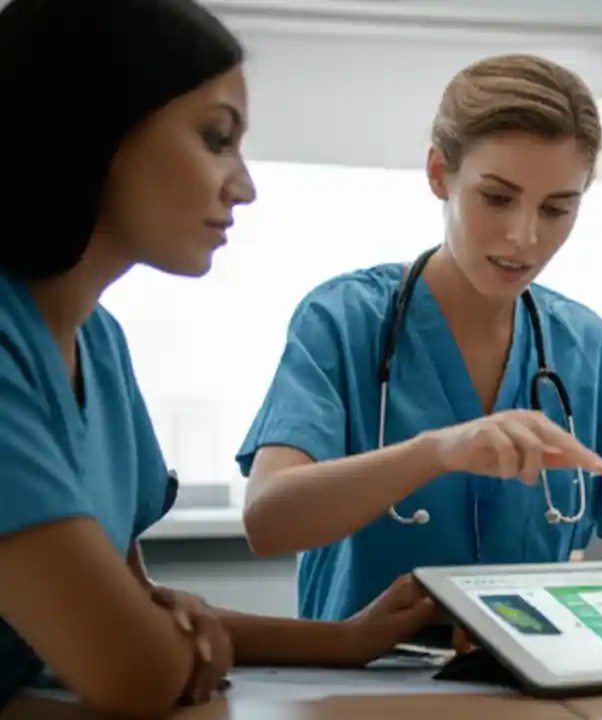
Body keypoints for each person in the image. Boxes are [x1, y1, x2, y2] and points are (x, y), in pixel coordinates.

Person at [0, 1, 439, 716]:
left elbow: (136, 612)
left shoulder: (97, 345)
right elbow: (134, 665)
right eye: (215, 138)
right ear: (95, 123)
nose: (244, 186)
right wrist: (166, 636)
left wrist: (346, 641)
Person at [236, 54, 602, 623]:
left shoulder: (588, 349)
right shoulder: (343, 320)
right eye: (497, 198)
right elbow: (268, 521)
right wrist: (439, 451)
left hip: (535, 689)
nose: (524, 237)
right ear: (438, 174)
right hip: (363, 693)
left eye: (556, 209)